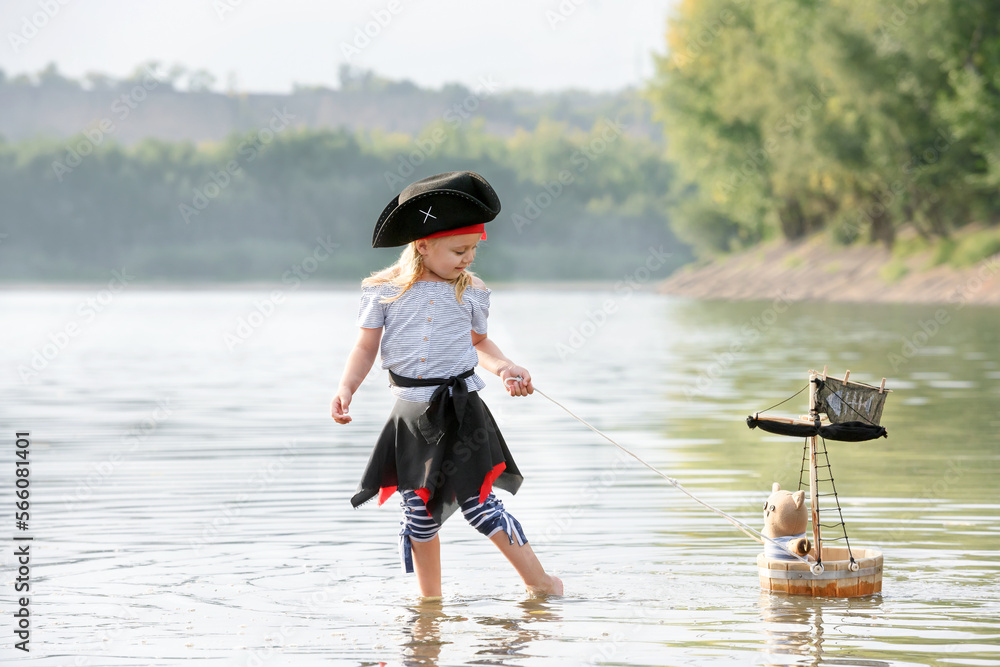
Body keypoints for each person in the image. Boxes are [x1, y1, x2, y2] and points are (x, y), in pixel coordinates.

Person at [331, 171, 563, 598]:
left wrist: (508, 368)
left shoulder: (471, 290)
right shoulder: (382, 291)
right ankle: (430, 604)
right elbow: (365, 349)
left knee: (480, 507)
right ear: (423, 244)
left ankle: (543, 585)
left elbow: (480, 344)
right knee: (417, 513)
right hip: (410, 417)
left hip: (462, 411)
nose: (469, 258)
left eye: (474, 249)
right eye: (459, 250)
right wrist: (347, 388)